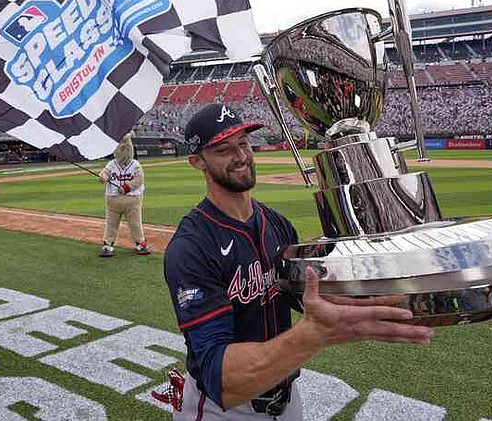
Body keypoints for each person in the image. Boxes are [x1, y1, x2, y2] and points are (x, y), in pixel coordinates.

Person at [162, 104, 434, 419]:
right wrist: (313, 335)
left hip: (288, 397)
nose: (241, 156)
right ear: (198, 162)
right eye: (224, 150)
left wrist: (365, 299)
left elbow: (303, 298)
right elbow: (222, 381)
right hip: (225, 411)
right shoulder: (191, 247)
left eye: (244, 143)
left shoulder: (277, 224)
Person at [98, 132, 150, 257]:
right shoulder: (112, 164)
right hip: (113, 199)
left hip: (132, 199)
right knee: (111, 223)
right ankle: (108, 244)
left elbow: (139, 179)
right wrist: (103, 177)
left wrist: (126, 187)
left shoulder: (135, 165)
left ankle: (140, 243)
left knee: (135, 223)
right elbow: (105, 173)